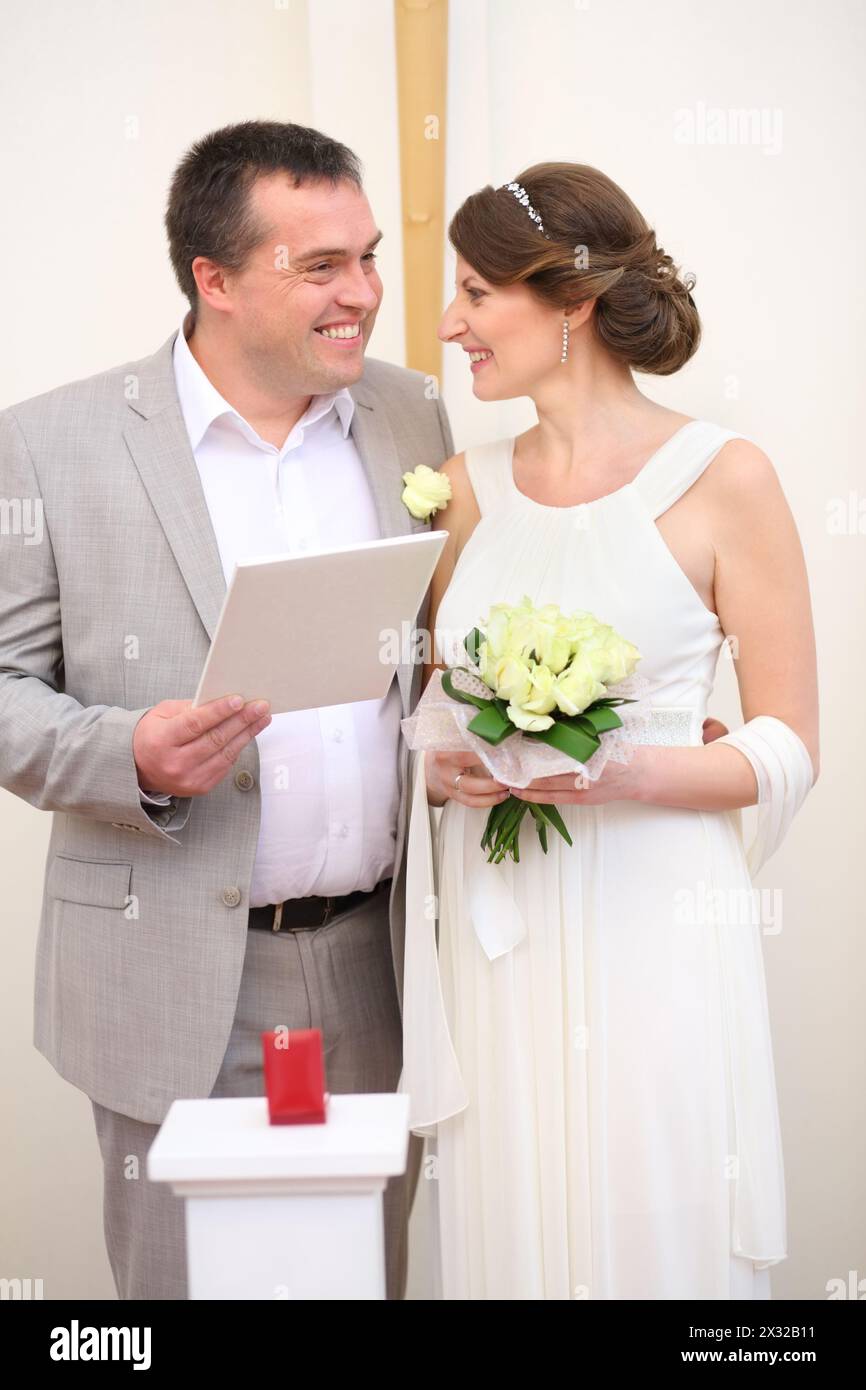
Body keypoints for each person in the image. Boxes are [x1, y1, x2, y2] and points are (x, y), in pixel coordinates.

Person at [0, 120, 453, 1300]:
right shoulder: (50, 445)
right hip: (172, 976)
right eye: (320, 268)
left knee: (364, 1285)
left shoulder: (414, 420)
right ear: (213, 278)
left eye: (365, 259)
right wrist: (129, 753)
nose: (360, 295)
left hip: (382, 962)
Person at [400, 162, 819, 1298]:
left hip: (659, 922)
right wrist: (444, 774)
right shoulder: (464, 487)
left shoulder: (723, 477)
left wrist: (621, 767)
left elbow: (782, 746)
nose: (451, 323)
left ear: (570, 304)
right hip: (503, 932)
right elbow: (430, 715)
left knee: (655, 1201)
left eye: (479, 292)